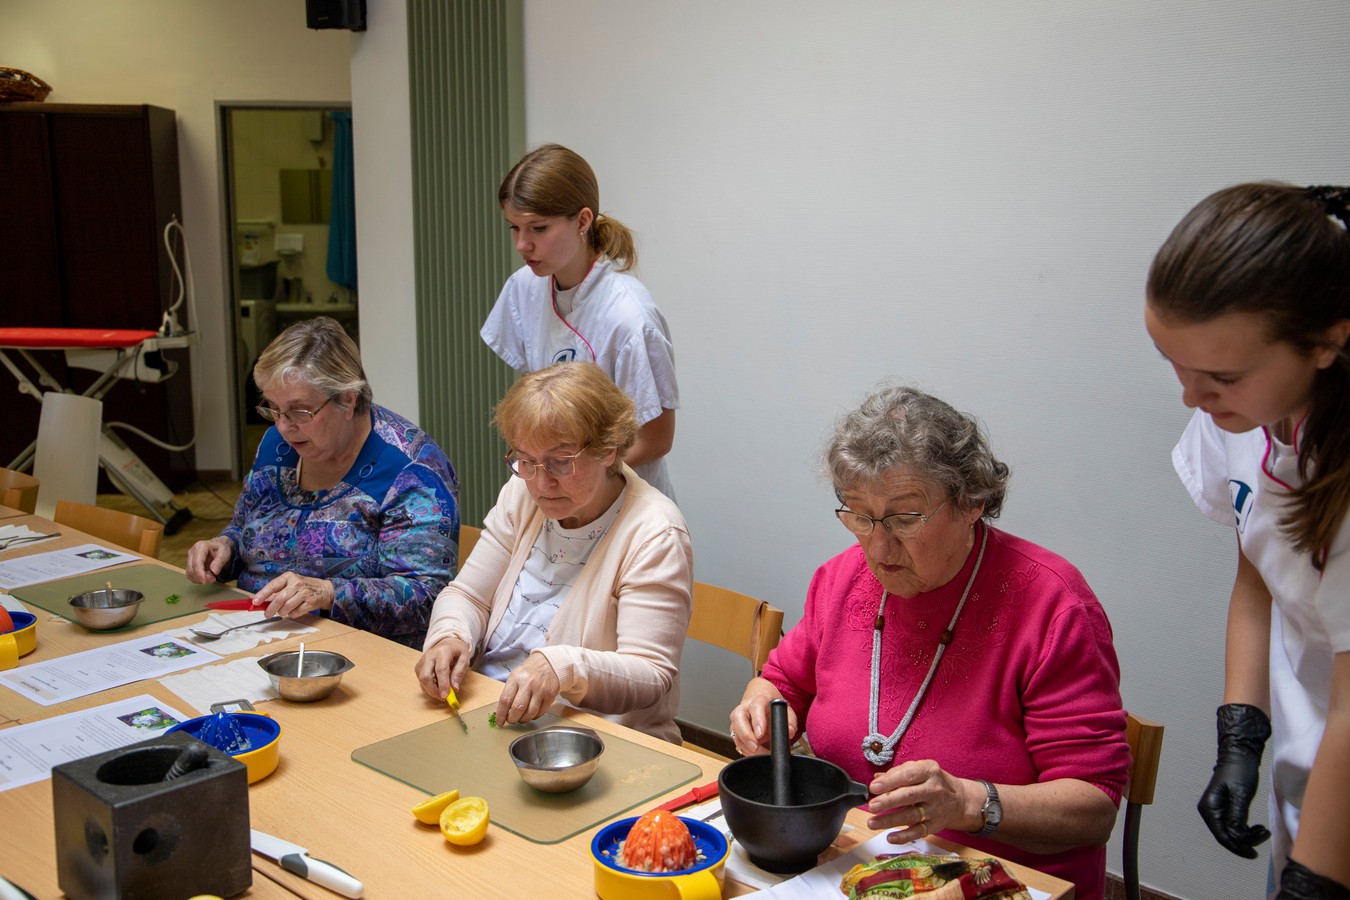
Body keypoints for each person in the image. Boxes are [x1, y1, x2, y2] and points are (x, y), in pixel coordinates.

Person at [728, 386, 1129, 899]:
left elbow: (1093, 807)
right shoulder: (842, 580)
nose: (877, 545)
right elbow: (782, 681)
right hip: (856, 867)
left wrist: (967, 802)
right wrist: (759, 706)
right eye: (860, 516)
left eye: (904, 519)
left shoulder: (1052, 607)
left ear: (972, 504)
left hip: (998, 881)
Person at [1145, 182, 1350, 900]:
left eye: (1220, 377)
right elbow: (1259, 577)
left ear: (1328, 341)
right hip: (1312, 785)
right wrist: (1242, 735)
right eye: (1176, 365)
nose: (1191, 399)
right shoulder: (1239, 414)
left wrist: (1316, 883)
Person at [415, 362, 693, 743]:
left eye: (561, 462)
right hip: (495, 710)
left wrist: (560, 666)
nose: (541, 482)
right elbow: (469, 595)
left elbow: (650, 674)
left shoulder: (655, 532)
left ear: (608, 449)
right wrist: (450, 636)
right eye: (525, 461)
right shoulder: (520, 493)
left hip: (598, 739)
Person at [186, 316, 460, 649]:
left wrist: (327, 593)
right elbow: (246, 526)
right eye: (273, 408)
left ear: (346, 399)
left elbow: (426, 597)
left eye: (299, 411)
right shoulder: (277, 444)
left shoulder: (411, 470)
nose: (284, 426)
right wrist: (224, 548)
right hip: (252, 634)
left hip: (359, 655)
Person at [481, 143, 679, 499]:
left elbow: (657, 438)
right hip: (555, 490)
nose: (522, 244)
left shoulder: (630, 316)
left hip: (619, 500)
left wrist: (579, 480)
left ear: (583, 221)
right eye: (514, 228)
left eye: (538, 228)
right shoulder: (523, 289)